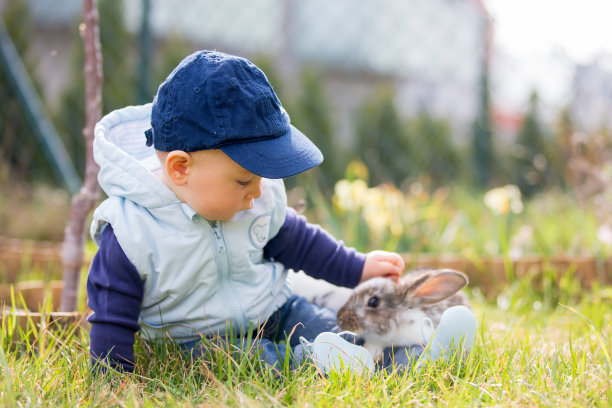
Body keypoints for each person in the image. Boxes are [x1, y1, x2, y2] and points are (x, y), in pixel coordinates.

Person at [87, 50, 408, 374]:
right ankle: (317, 363)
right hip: (196, 340)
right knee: (254, 360)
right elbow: (111, 314)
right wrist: (112, 377)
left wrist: (359, 267)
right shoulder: (132, 232)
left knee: (322, 323)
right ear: (181, 168)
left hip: (273, 310)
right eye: (244, 179)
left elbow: (301, 243)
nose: (258, 190)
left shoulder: (255, 198)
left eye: (262, 176)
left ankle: (400, 354)